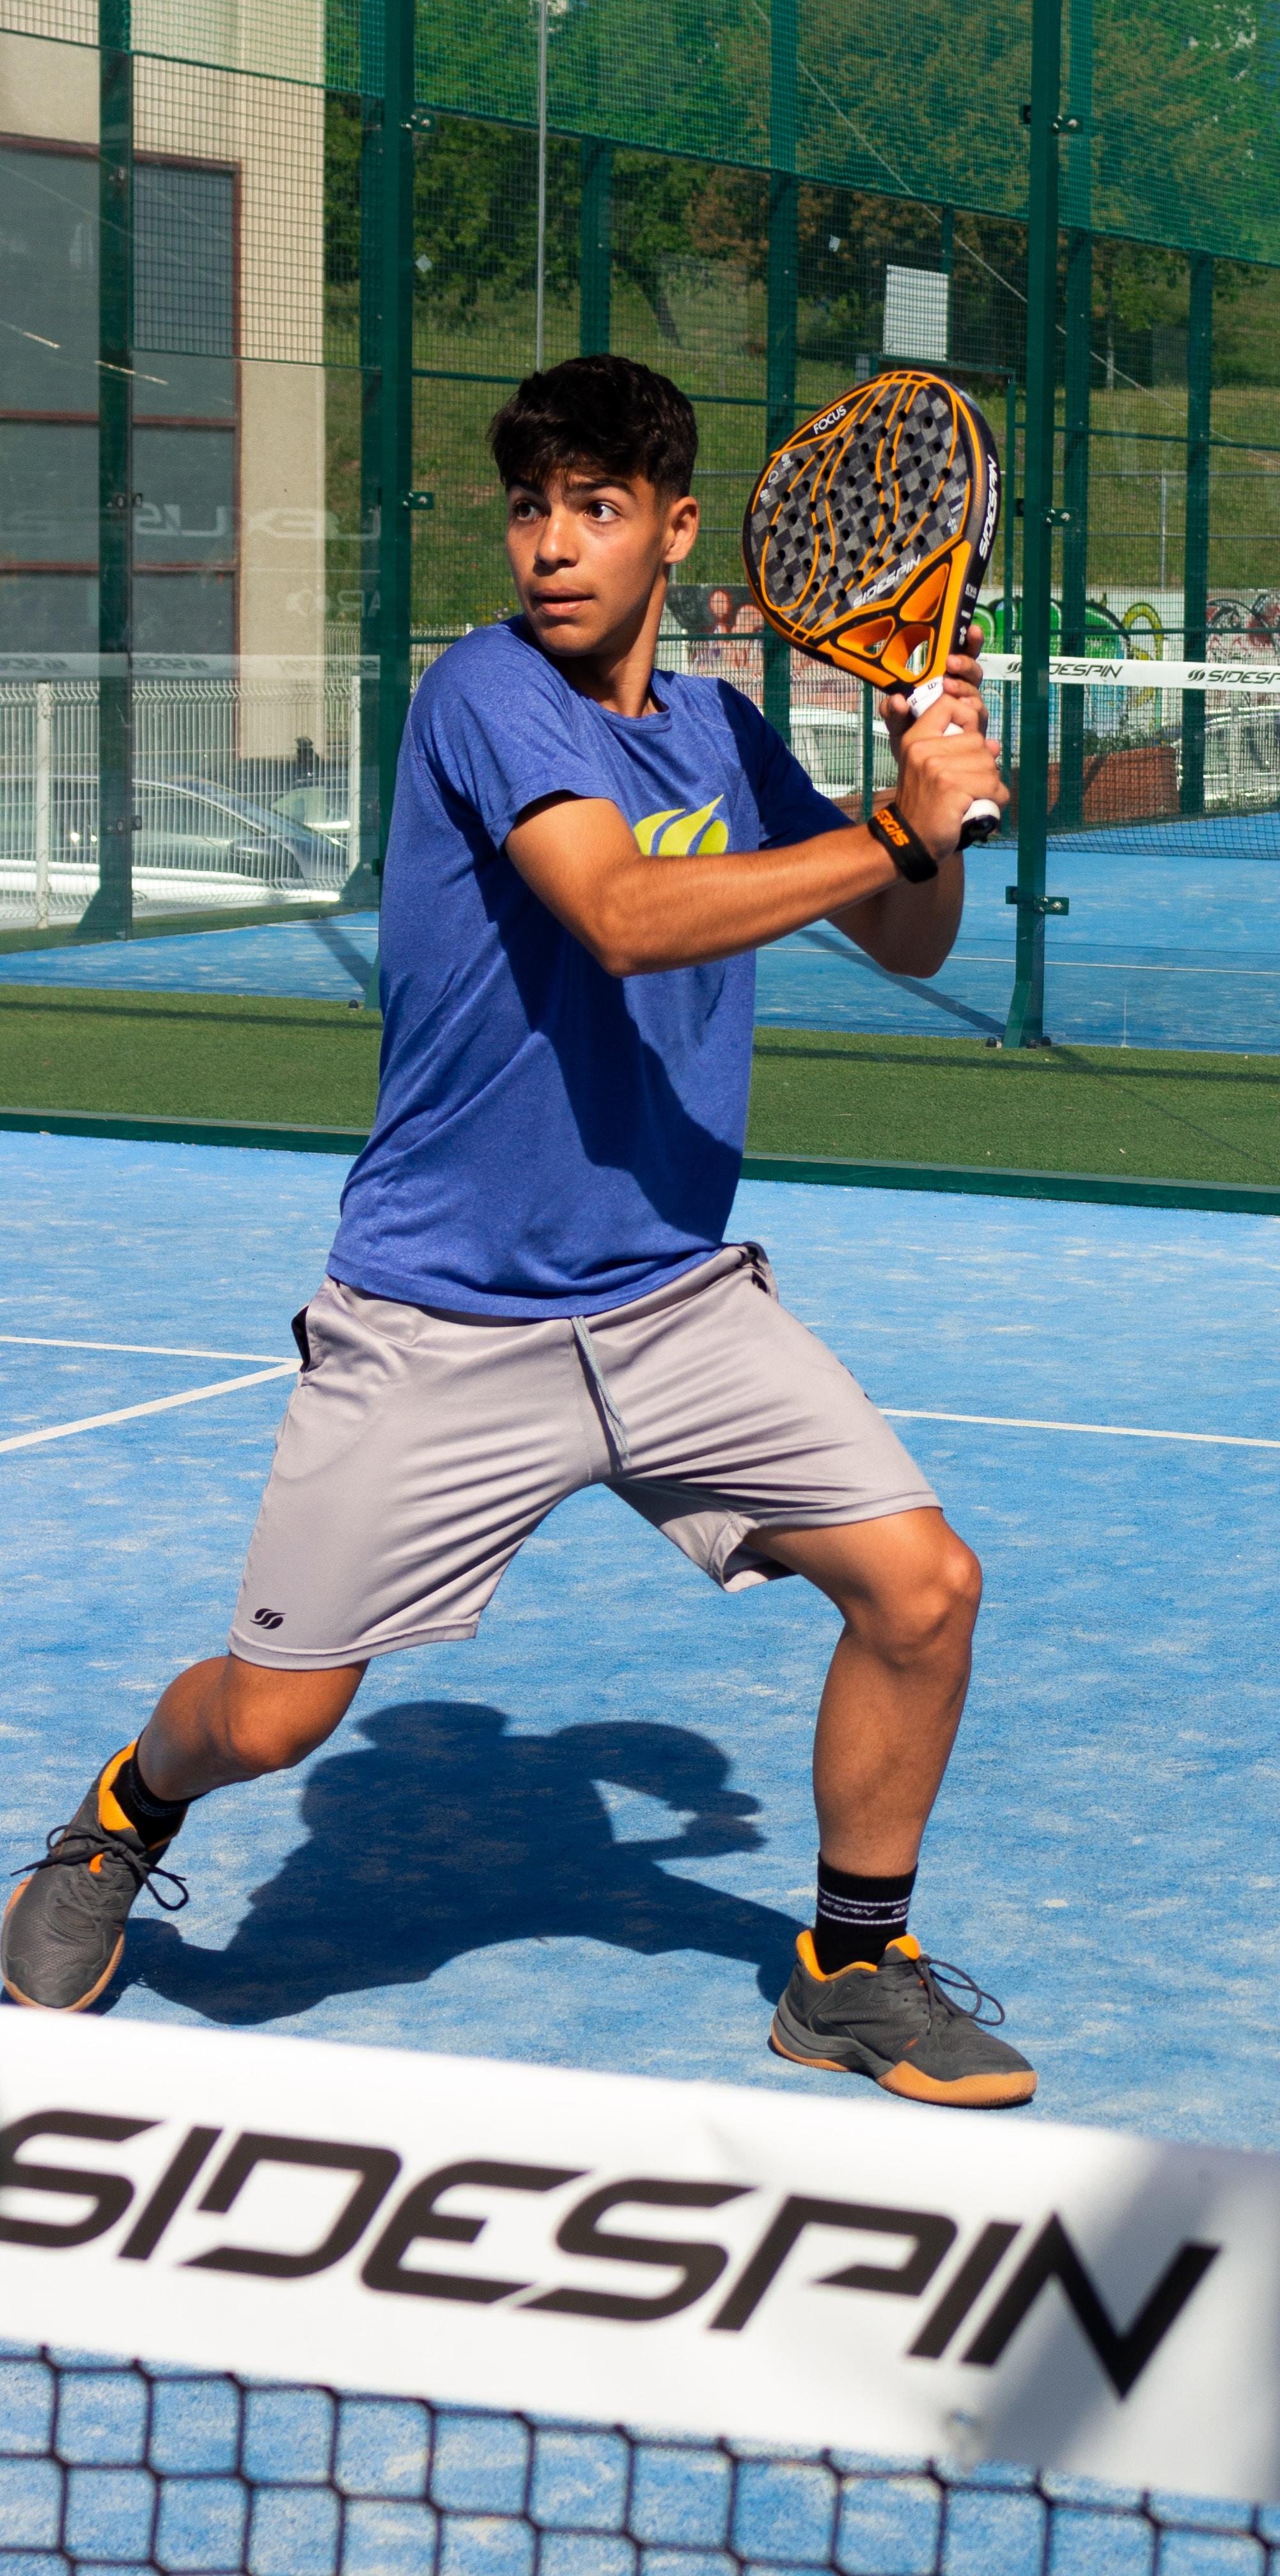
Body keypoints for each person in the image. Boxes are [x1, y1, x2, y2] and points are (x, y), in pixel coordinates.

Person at [3, 353, 1033, 2110]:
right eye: (532, 507)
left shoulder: (717, 729)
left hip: (674, 1304)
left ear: (675, 529)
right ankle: (116, 1822)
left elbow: (916, 946)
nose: (554, 546)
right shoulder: (483, 693)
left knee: (925, 1594)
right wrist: (883, 827)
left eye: (599, 508)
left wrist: (925, 804)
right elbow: (624, 915)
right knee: (275, 1722)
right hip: (440, 1320)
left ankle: (850, 1967)